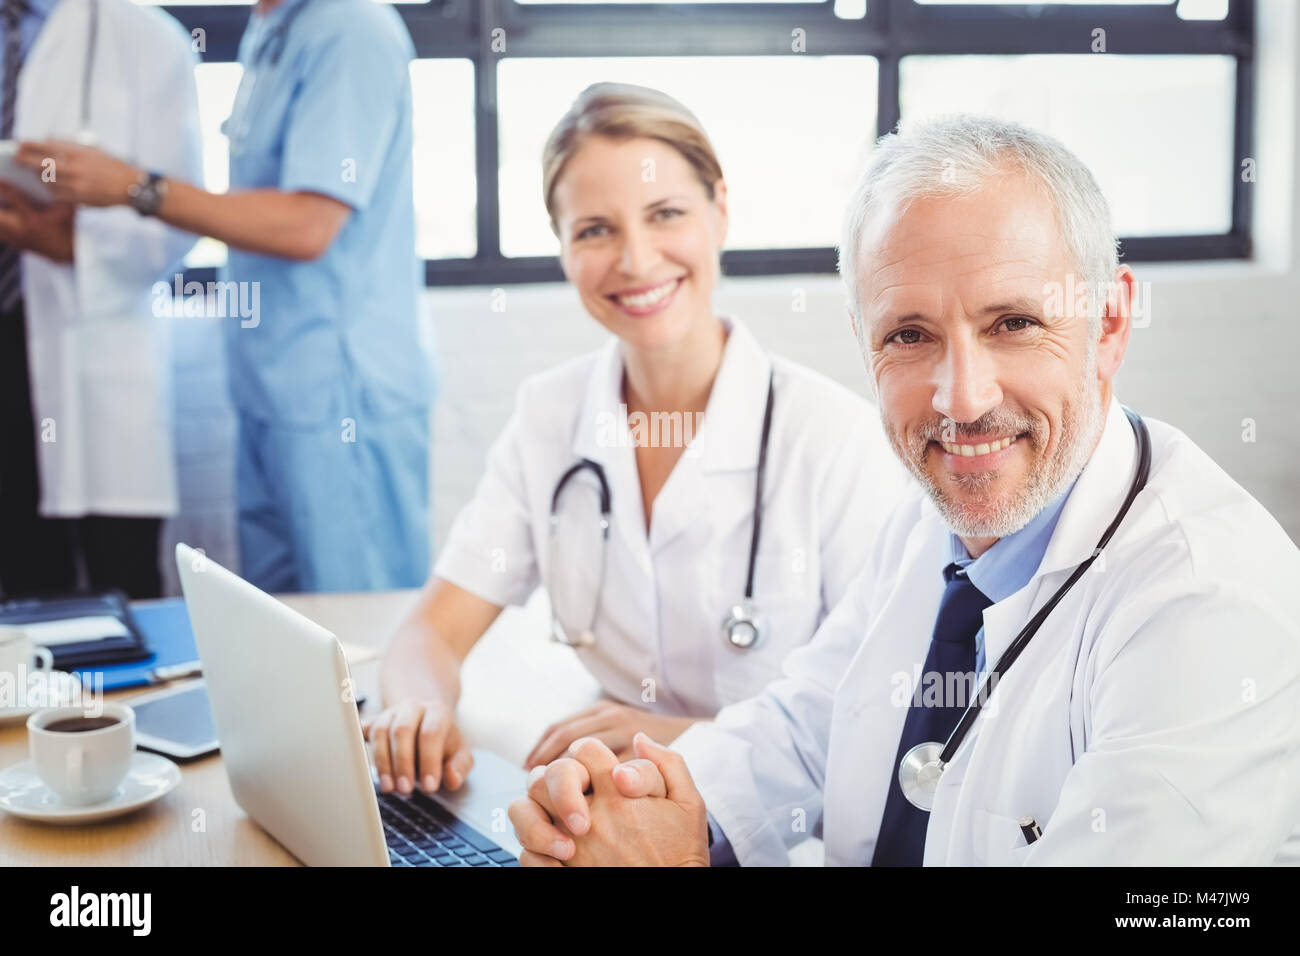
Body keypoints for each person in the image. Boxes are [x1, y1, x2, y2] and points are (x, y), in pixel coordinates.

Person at [509, 115, 1300, 866]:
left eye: (1013, 323)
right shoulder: (934, 530)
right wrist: (650, 803)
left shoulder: (1207, 602)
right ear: (865, 343)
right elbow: (805, 726)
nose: (962, 399)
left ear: (1112, 321)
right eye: (909, 335)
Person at [360, 83, 909, 797]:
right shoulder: (549, 418)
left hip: (781, 812)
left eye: (666, 214)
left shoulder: (833, 439)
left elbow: (888, 709)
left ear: (719, 210)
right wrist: (418, 708)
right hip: (605, 797)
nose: (636, 259)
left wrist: (689, 743)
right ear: (561, 246)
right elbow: (429, 632)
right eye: (595, 229)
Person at [17, 0, 434, 593]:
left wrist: (132, 186)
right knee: (290, 627)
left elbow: (307, 226)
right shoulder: (273, 28)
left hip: (338, 396)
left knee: (358, 623)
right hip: (273, 386)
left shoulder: (349, 29)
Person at [0, 0, 201, 599]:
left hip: (90, 338)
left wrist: (55, 238)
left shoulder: (146, 39)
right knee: (20, 583)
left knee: (124, 582)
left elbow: (174, 222)